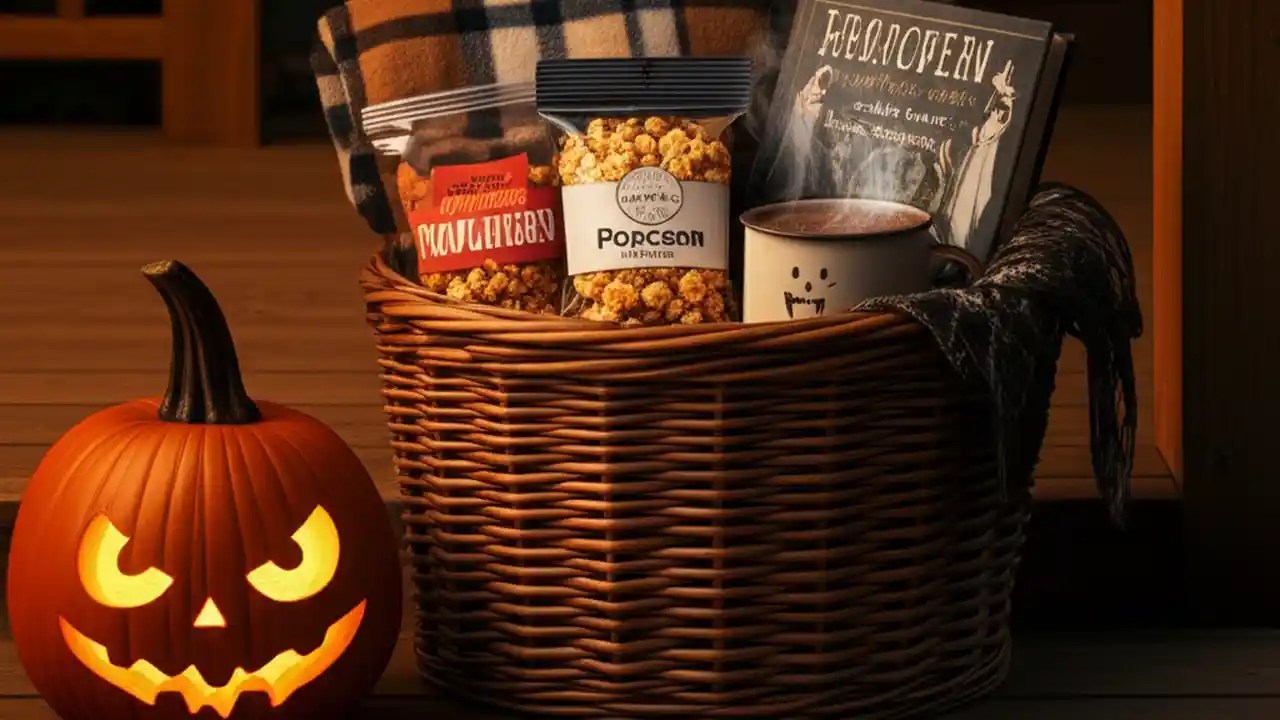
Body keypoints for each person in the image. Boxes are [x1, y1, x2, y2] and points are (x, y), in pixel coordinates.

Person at [939, 59, 1016, 256]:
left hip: (979, 168)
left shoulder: (993, 130)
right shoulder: (976, 135)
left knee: (968, 209)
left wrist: (1005, 94)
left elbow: (1003, 117)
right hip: (969, 166)